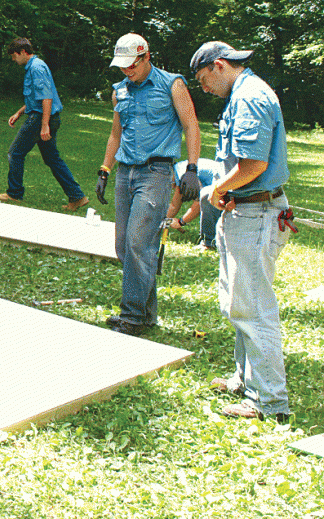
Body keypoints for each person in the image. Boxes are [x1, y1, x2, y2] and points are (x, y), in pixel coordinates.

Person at [191, 40, 293, 422]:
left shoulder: (249, 97)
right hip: (247, 210)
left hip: (256, 213)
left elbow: (252, 164)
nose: (204, 89)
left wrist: (218, 189)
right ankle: (244, 378)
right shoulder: (246, 92)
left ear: (219, 65)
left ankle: (268, 401)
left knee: (253, 308)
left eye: (204, 80)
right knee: (239, 302)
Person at [96, 33, 201, 335]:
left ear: (146, 56)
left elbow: (191, 125)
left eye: (132, 65)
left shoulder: (172, 85)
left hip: (155, 173)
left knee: (139, 243)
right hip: (125, 173)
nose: (127, 71)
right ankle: (146, 314)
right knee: (123, 246)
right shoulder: (120, 91)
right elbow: (116, 135)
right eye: (122, 66)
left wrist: (191, 168)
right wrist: (105, 169)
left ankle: (131, 316)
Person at [0, 38, 88, 211]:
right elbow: (35, 98)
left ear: (22, 52)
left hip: (41, 118)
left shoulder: (36, 68)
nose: (13, 60)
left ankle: (14, 193)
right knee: (52, 158)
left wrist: (44, 125)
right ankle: (77, 196)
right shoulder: (35, 66)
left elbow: (46, 98)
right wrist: (19, 113)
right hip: (45, 116)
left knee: (15, 153)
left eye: (14, 56)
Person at [166, 158, 224, 250]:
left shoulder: (183, 175)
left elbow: (198, 205)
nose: (169, 187)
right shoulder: (180, 169)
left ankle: (208, 243)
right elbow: (174, 206)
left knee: (206, 199)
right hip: (222, 181)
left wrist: (181, 222)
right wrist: (161, 222)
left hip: (225, 184)